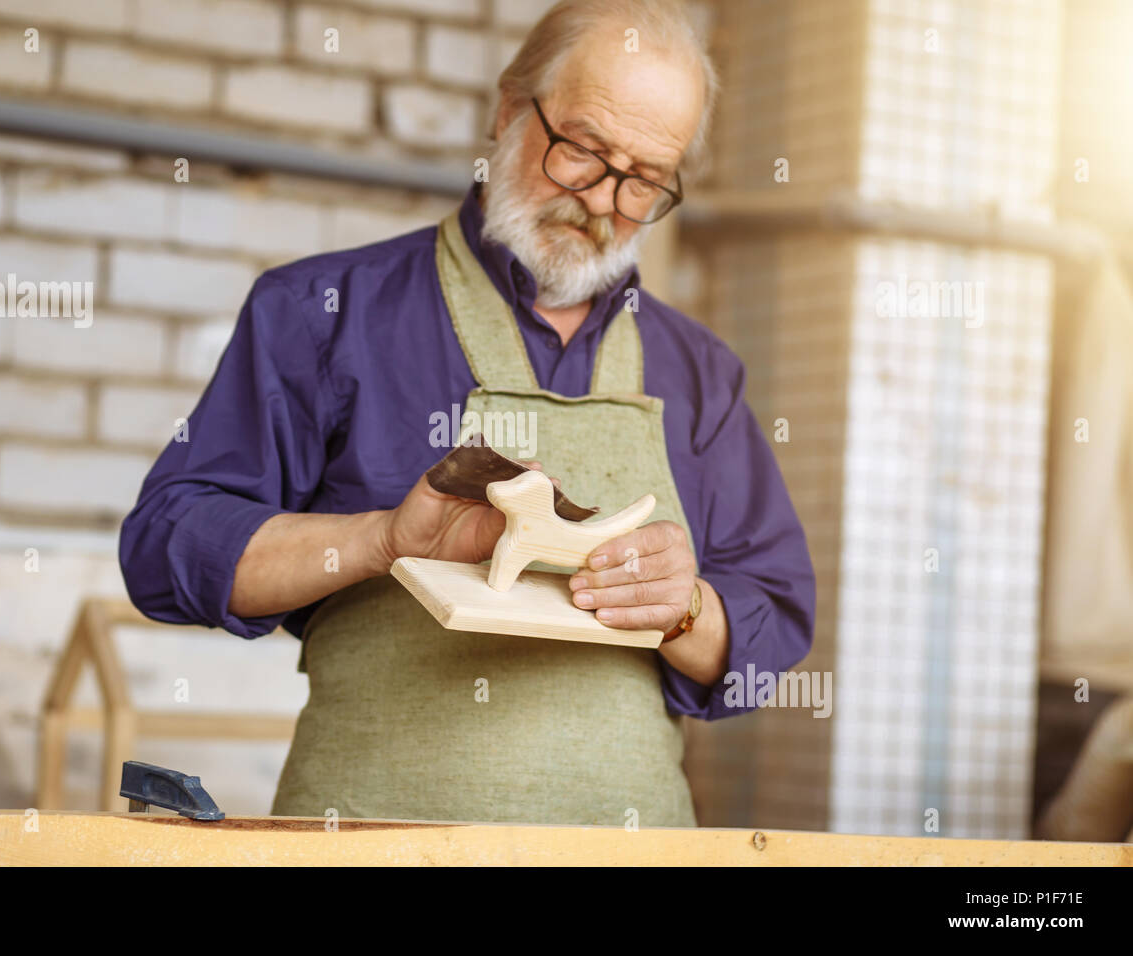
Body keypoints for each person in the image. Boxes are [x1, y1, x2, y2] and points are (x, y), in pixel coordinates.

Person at [120, 0, 815, 827]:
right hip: (367, 841)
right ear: (510, 108)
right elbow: (166, 545)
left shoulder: (701, 375)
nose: (602, 203)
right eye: (584, 154)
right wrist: (379, 542)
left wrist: (686, 607)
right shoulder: (322, 313)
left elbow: (770, 628)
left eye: (643, 181)